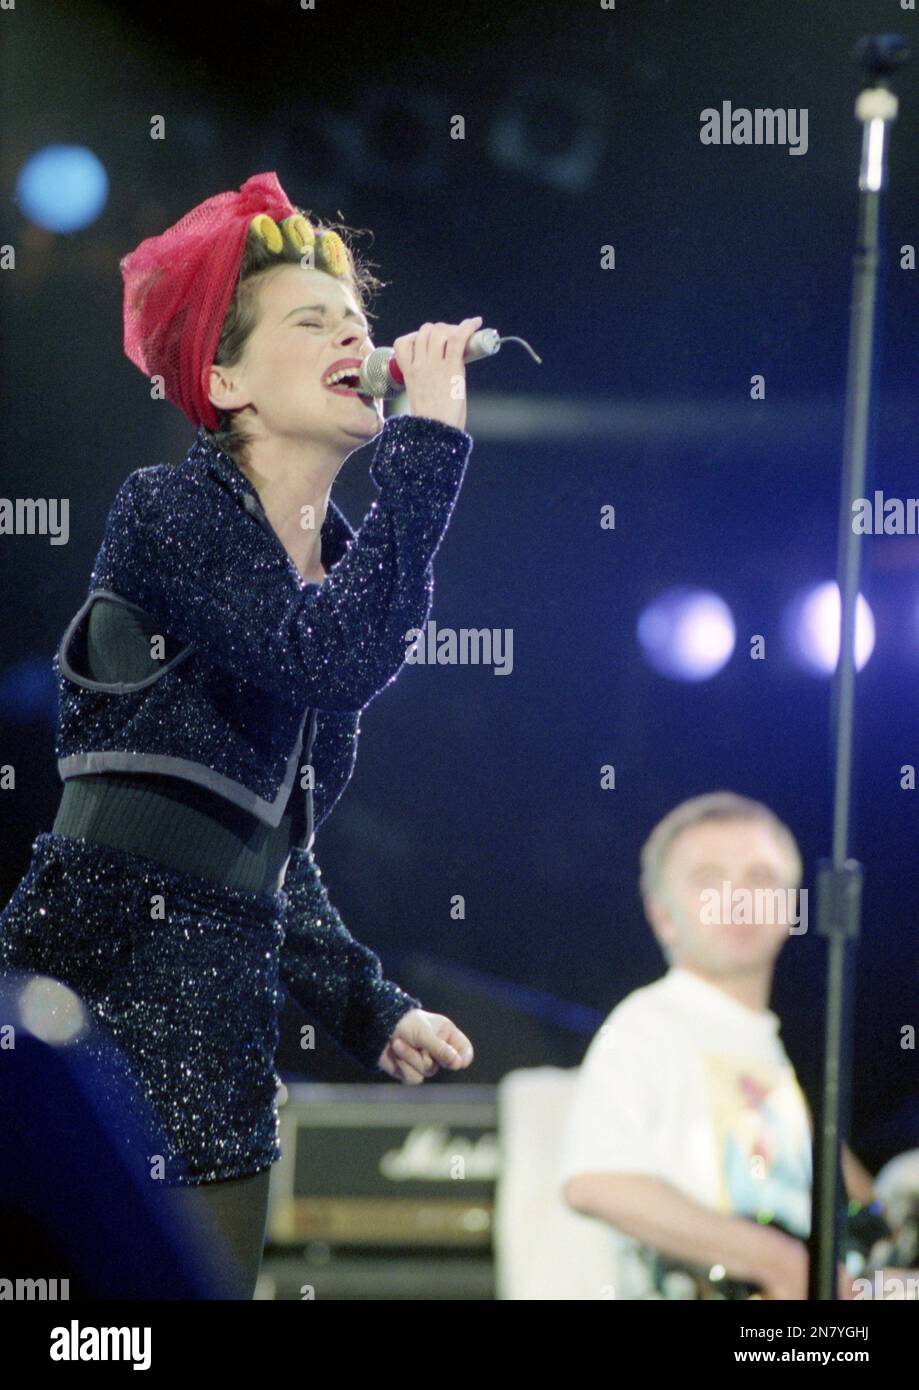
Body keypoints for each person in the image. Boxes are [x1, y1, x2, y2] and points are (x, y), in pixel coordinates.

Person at [0, 172, 476, 1298]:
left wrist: (369, 1004)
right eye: (312, 321)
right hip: (94, 1012)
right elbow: (335, 661)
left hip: (221, 1066)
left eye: (356, 323)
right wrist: (429, 451)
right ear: (222, 378)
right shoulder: (167, 511)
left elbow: (260, 850)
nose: (353, 337)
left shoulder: (337, 572)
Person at [559, 791, 874, 1300]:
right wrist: (780, 1260)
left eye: (760, 878)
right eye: (709, 880)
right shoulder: (648, 1023)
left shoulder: (765, 1045)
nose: (738, 898)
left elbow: (858, 1205)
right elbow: (594, 1180)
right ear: (663, 915)